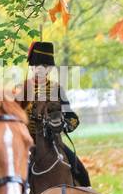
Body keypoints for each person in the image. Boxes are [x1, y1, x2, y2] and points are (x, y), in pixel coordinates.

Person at [20, 40, 90, 186]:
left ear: (50, 69)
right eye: (36, 66)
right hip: (26, 143)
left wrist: (62, 123)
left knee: (81, 171)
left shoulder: (57, 89)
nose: (40, 69)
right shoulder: (21, 89)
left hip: (53, 143)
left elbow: (71, 117)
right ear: (31, 67)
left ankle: (86, 193)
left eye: (44, 66)